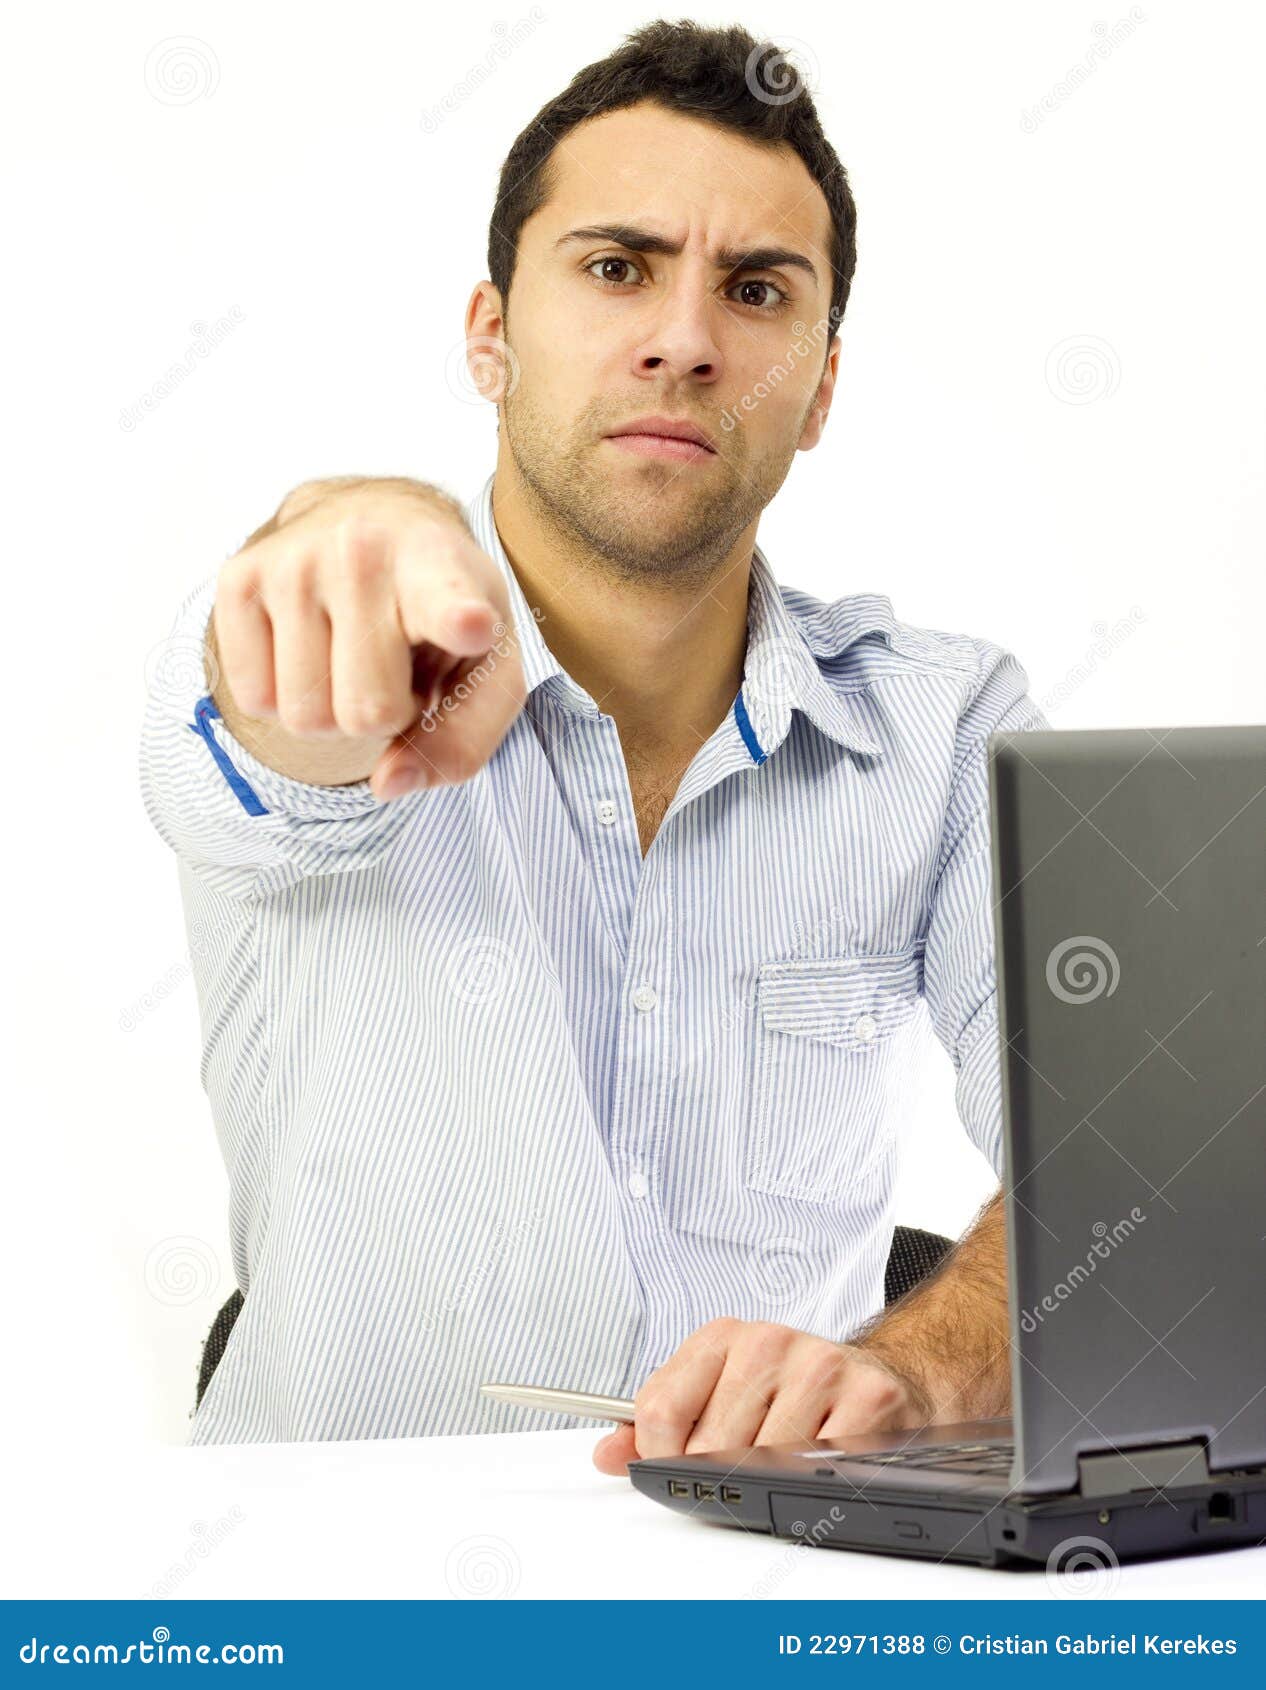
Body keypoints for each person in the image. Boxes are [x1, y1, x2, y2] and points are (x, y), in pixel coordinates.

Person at [139, 19, 1047, 1460]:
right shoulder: (333, 628)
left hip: (761, 1569)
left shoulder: (941, 734)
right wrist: (345, 546)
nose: (683, 339)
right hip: (343, 1586)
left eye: (755, 291)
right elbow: (261, 747)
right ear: (490, 335)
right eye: (616, 267)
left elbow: (1139, 1160)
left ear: (817, 387)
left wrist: (921, 1370)